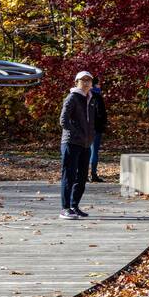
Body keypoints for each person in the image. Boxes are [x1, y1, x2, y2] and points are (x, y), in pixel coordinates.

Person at [59, 71, 96, 220]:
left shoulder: (91, 99)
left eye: (89, 80)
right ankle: (65, 208)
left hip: (86, 144)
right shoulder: (72, 98)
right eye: (83, 80)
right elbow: (63, 120)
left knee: (82, 177)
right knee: (69, 175)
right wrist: (77, 133)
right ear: (76, 82)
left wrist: (90, 135)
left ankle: (74, 205)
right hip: (71, 142)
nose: (86, 83)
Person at [89, 77, 109, 182]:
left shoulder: (84, 96)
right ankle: (93, 173)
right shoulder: (97, 97)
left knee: (85, 151)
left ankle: (82, 173)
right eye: (98, 84)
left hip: (85, 128)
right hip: (96, 128)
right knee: (94, 151)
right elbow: (101, 114)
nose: (99, 86)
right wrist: (103, 124)